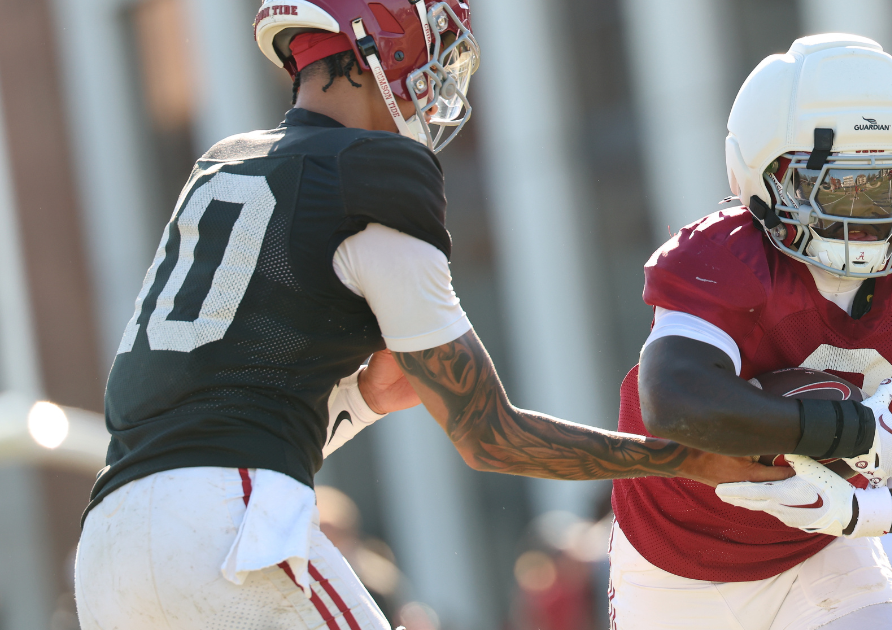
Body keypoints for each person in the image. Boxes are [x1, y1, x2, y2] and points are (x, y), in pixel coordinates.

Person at [72, 2, 788, 629]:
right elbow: (492, 437)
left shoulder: (222, 165)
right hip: (230, 527)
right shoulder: (373, 176)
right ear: (378, 40)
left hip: (109, 546)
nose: (438, 82)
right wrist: (686, 462)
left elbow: (206, 409)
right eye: (432, 50)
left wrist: (358, 400)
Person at [608, 34, 892, 630]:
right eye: (836, 184)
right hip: (674, 562)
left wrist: (862, 511)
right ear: (764, 176)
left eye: (885, 183)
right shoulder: (726, 255)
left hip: (820, 551)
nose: (866, 214)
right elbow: (676, 403)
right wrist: (850, 431)